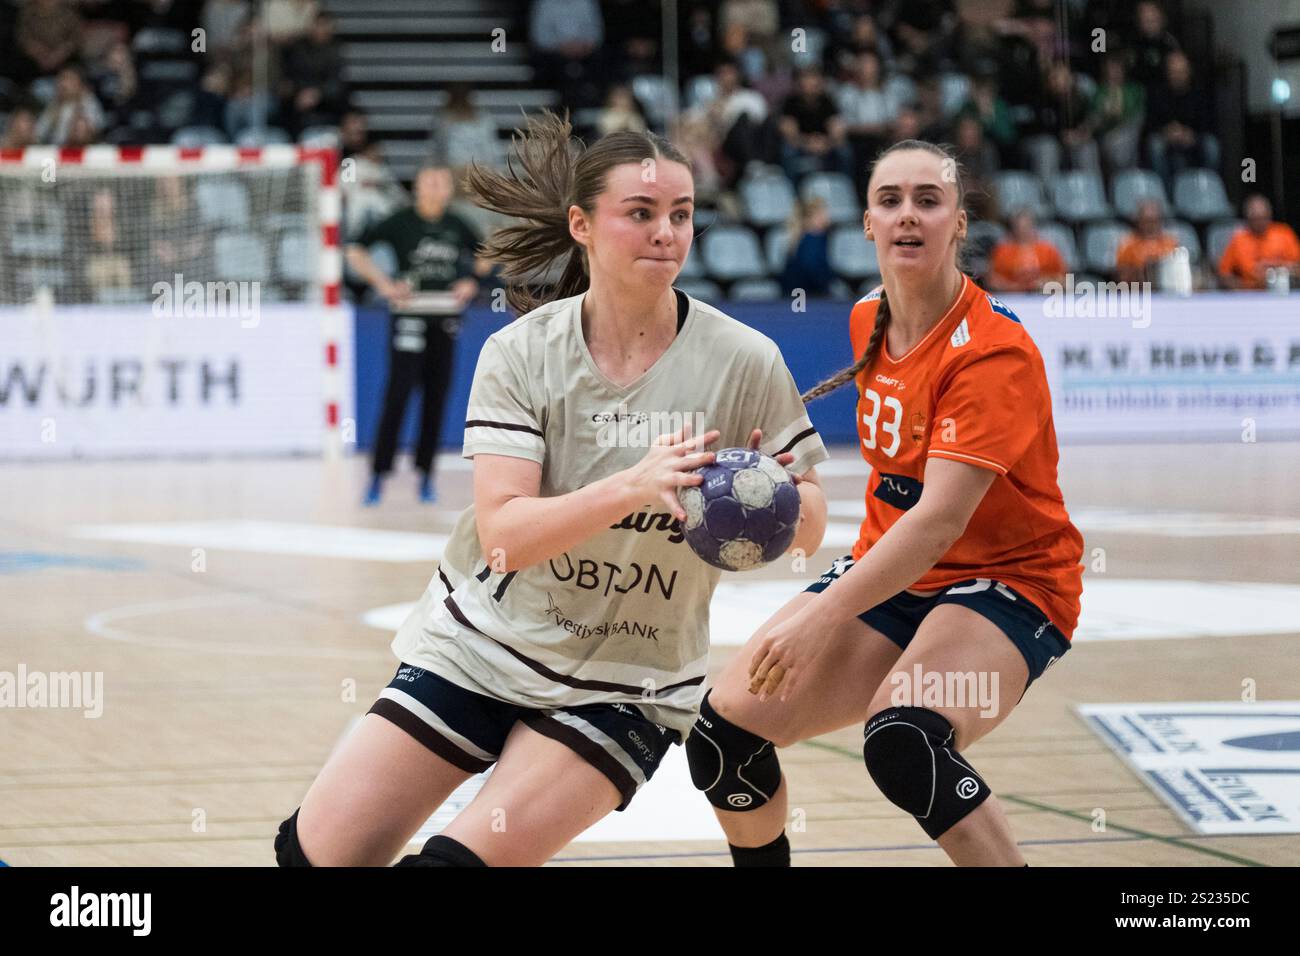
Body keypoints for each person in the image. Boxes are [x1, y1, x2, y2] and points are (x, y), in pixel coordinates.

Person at [274, 112, 829, 867]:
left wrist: (770, 494)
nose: (666, 232)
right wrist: (634, 485)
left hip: (626, 681)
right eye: (640, 214)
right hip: (482, 646)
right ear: (582, 224)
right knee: (311, 858)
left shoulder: (746, 360)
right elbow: (503, 535)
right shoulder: (522, 352)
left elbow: (812, 526)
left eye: (681, 214)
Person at [685, 139, 1083, 867]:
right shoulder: (867, 315)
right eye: (890, 200)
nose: (909, 216)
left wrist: (822, 618)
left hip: (1011, 584)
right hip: (895, 575)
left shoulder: (993, 352)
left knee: (905, 738)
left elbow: (936, 521)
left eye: (929, 201)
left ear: (959, 223)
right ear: (866, 222)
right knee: (723, 740)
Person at [346, 160, 481, 505]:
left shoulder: (458, 224)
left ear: (450, 189)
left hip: (444, 320)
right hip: (408, 317)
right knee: (397, 397)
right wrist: (384, 284)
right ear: (417, 187)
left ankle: (425, 477)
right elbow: (356, 249)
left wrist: (470, 280)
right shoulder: (401, 221)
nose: (436, 187)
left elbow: (487, 255)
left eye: (441, 181)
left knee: (437, 399)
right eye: (429, 181)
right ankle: (378, 476)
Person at [1216, 194, 1300, 290]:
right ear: (1248, 219)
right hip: (1250, 295)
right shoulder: (1239, 240)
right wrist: (1243, 287)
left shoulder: (1284, 233)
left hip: (1283, 291)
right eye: (1256, 219)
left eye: (1263, 218)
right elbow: (1223, 274)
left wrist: (1277, 268)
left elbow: (1298, 267)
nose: (1260, 223)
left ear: (1270, 216)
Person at [987, 209, 1066, 292]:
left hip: (1042, 296)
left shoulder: (1048, 250)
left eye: (1026, 226)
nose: (1023, 231)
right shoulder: (1002, 251)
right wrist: (1014, 287)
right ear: (1013, 228)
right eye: (1019, 227)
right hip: (1011, 298)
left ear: (1033, 226)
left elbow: (1064, 279)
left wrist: (1046, 283)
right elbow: (991, 280)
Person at [1115, 198, 1177, 283]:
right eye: (1147, 221)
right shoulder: (1127, 246)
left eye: (1155, 221)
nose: (1151, 226)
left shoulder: (1170, 244)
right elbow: (1121, 279)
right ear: (1138, 221)